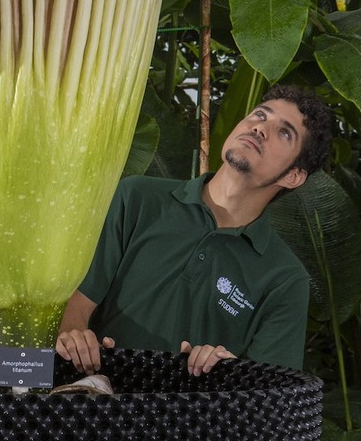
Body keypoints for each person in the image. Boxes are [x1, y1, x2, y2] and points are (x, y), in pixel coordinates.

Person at [56, 83, 331, 377]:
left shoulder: (285, 278)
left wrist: (227, 372)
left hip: (189, 408)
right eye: (260, 115)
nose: (260, 128)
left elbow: (272, 391)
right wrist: (73, 337)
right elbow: (77, 301)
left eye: (284, 132)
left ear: (293, 176)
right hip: (86, 396)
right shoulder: (137, 197)